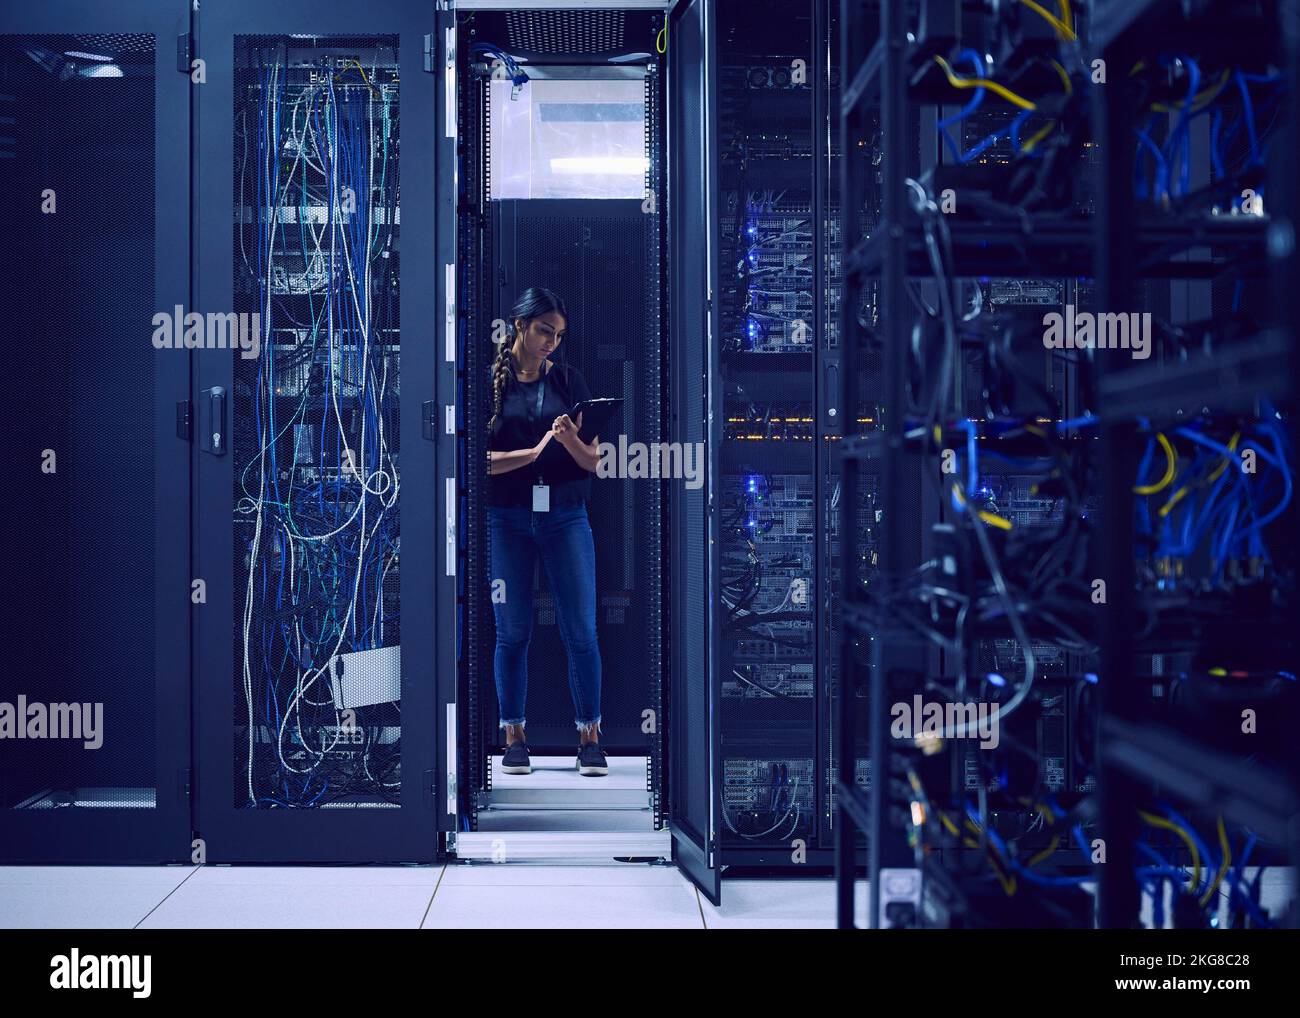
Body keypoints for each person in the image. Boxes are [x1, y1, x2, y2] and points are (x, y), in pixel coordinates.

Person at [486, 286, 608, 777]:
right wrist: (535, 454)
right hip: (507, 519)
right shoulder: (490, 383)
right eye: (543, 331)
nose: (551, 342)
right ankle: (513, 735)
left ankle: (590, 738)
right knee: (512, 631)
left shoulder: (570, 381)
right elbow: (478, 462)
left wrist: (569, 439)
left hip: (565, 516)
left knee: (581, 629)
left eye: (558, 335)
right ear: (519, 325)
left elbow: (592, 461)